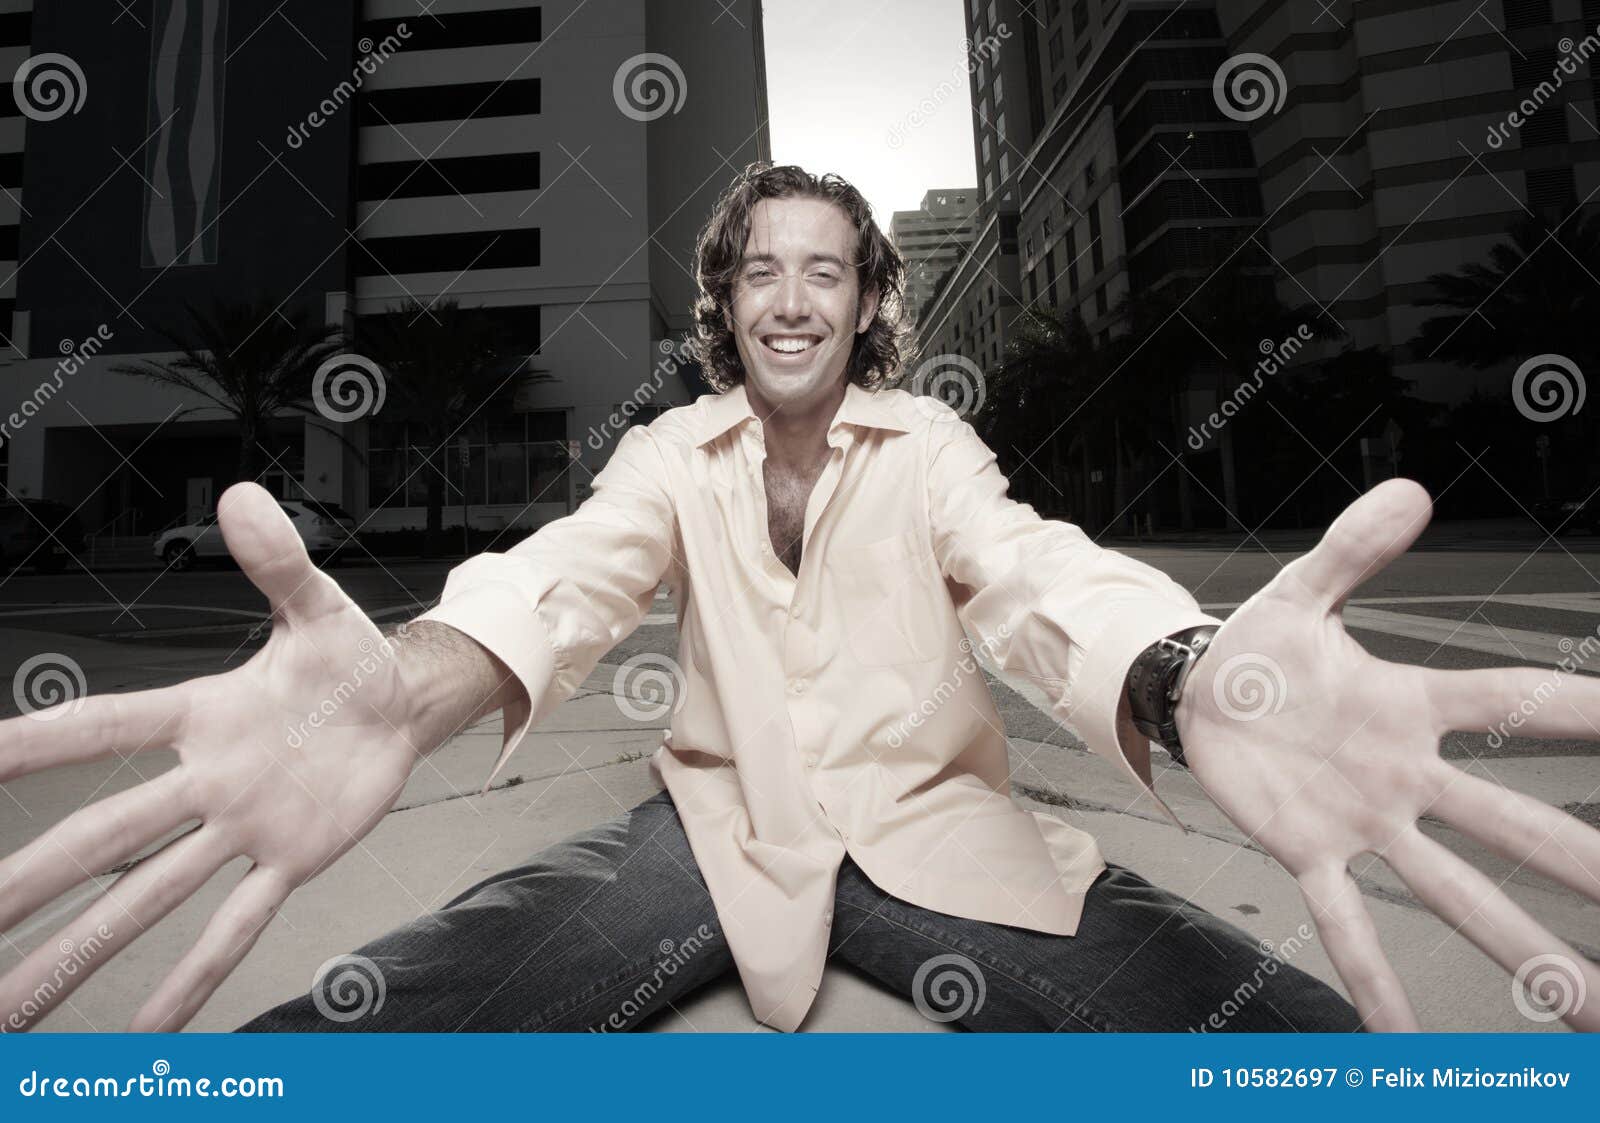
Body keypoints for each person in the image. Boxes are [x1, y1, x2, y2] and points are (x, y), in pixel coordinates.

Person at [3, 164, 1597, 1034]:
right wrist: (406, 691)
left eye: (824, 269)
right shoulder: (672, 453)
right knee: (373, 1023)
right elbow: (569, 578)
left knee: (1287, 1048)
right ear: (726, 302)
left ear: (866, 300)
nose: (789, 297)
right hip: (711, 836)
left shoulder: (935, 443)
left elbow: (1035, 573)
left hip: (946, 842)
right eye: (760, 269)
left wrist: (1189, 678)